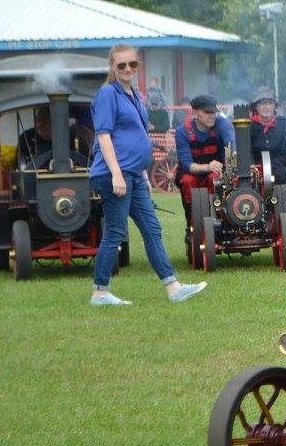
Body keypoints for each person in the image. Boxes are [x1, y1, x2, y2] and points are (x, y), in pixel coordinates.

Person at [88, 44, 206, 307]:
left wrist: (142, 174)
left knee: (153, 229)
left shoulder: (135, 94)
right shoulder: (108, 94)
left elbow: (137, 137)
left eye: (133, 64)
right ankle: (100, 292)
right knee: (116, 232)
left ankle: (173, 288)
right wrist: (116, 174)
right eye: (121, 65)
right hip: (113, 175)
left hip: (133, 174)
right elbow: (104, 135)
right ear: (112, 67)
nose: (128, 69)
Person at [174, 94, 236, 211]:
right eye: (207, 112)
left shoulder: (222, 124)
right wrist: (208, 167)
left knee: (216, 178)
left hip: (216, 171)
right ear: (195, 113)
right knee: (188, 181)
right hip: (192, 173)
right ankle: (193, 218)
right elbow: (186, 164)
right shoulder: (182, 132)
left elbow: (230, 144)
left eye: (213, 112)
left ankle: (218, 213)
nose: (212, 116)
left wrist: (233, 154)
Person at [248, 87, 286, 188]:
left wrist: (269, 169)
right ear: (256, 107)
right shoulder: (249, 126)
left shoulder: (282, 123)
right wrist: (256, 169)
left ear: (274, 106)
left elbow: (285, 153)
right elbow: (248, 152)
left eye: (270, 103)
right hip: (254, 169)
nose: (267, 107)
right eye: (263, 103)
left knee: (281, 176)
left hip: (276, 168)